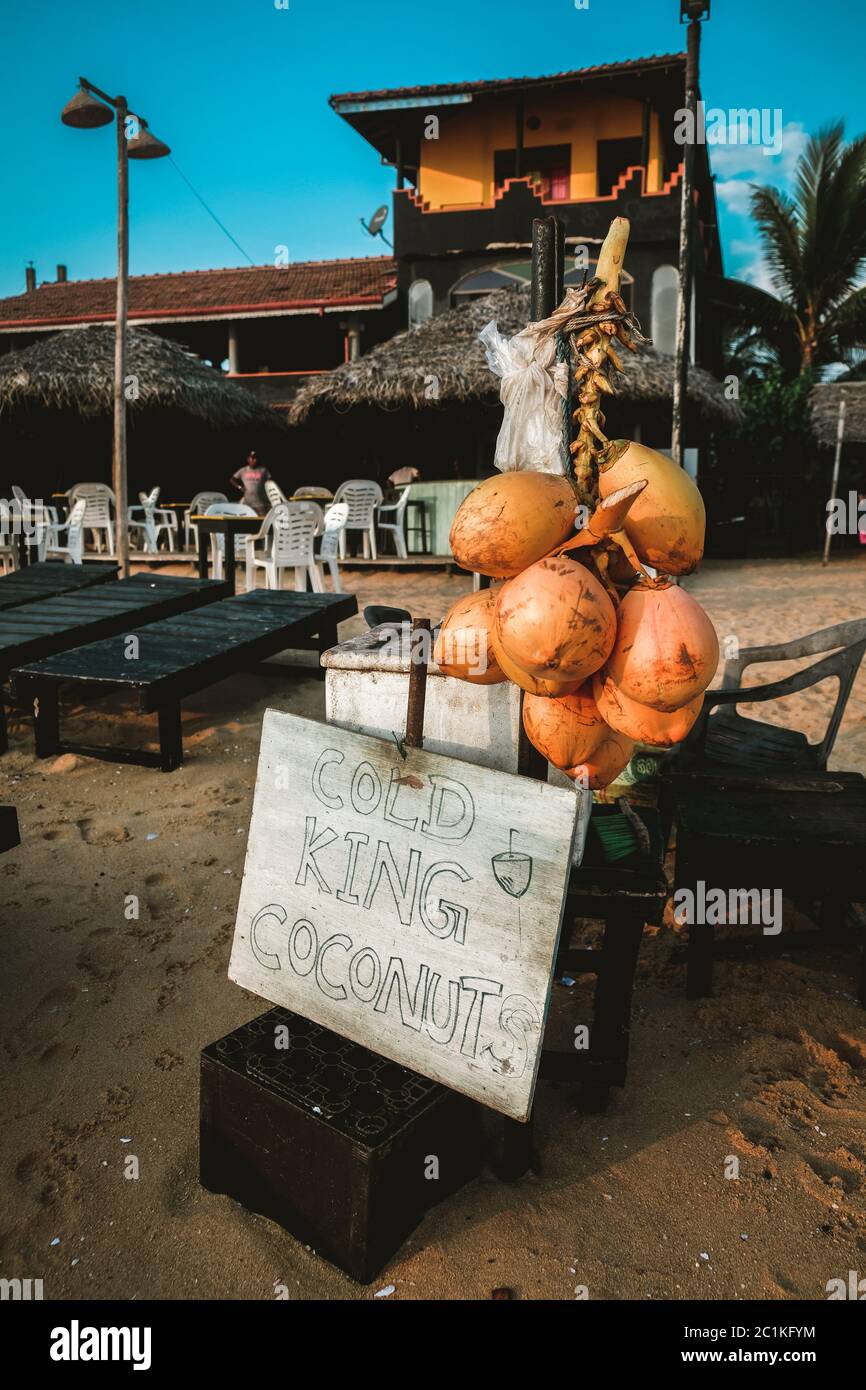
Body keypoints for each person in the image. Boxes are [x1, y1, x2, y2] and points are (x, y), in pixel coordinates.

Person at [230, 451, 271, 516]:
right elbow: (232, 479)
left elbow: (270, 483)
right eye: (251, 458)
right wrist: (239, 487)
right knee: (248, 521)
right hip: (247, 503)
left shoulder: (263, 470)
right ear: (248, 459)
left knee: (261, 521)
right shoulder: (243, 470)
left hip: (261, 503)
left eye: (255, 458)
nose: (253, 460)